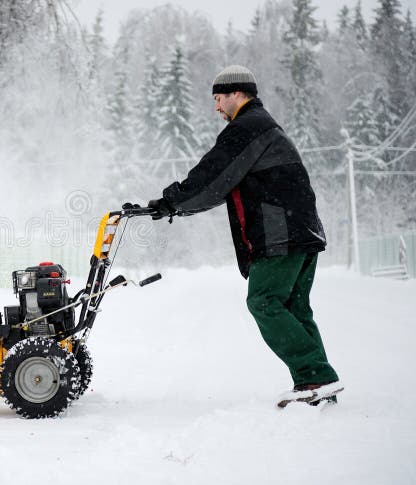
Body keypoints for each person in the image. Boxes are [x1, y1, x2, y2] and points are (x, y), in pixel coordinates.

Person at [131, 64, 341, 405]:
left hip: (280, 232)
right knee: (294, 307)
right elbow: (223, 185)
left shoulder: (247, 127)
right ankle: (317, 382)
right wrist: (176, 207)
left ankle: (315, 377)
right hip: (303, 229)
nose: (216, 106)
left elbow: (213, 178)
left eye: (219, 98)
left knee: (264, 301)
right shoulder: (265, 125)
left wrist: (170, 202)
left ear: (238, 94)